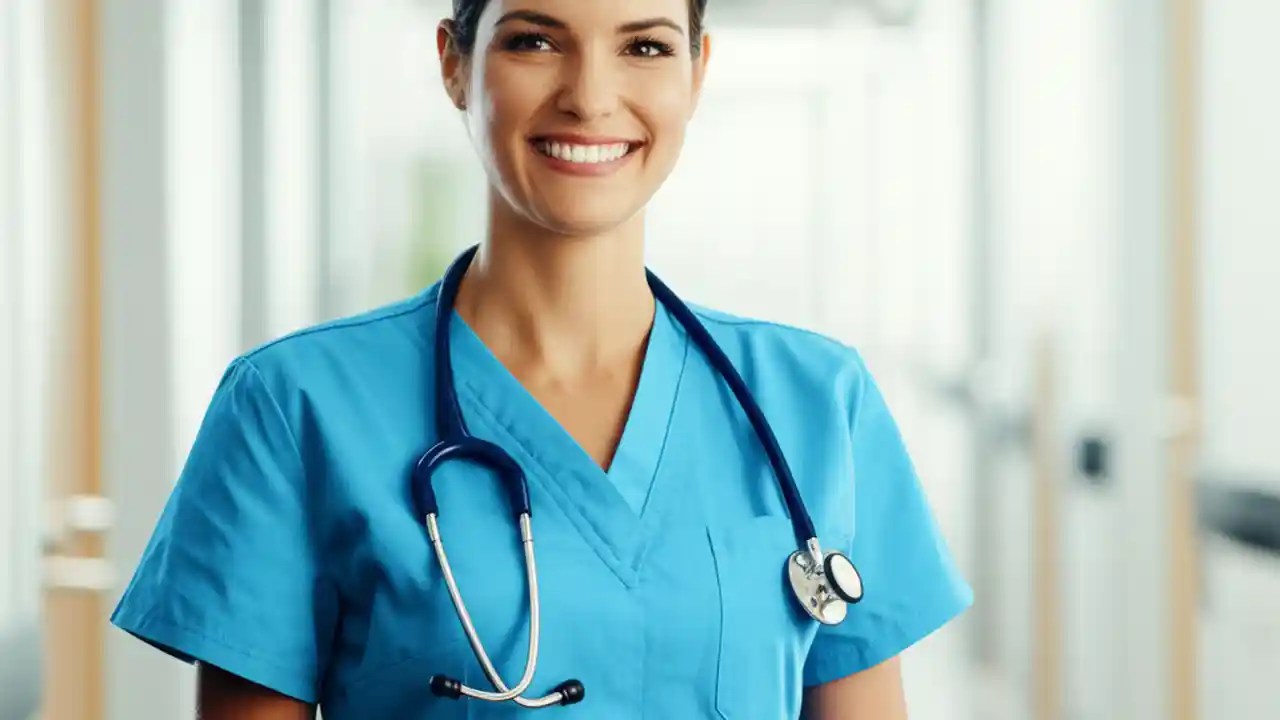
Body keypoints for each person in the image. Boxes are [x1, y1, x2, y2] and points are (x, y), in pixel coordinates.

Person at [110, 0, 972, 717]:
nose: (591, 97)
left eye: (643, 46)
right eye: (533, 40)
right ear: (454, 62)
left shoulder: (816, 402)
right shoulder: (292, 408)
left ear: (698, 71)